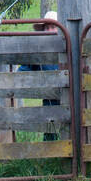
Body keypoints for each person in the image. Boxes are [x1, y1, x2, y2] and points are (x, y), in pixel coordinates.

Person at [19, 10, 61, 141]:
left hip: (70, 98)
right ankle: (51, 158)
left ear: (60, 29)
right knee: (50, 133)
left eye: (53, 27)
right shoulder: (38, 50)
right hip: (50, 101)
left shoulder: (69, 46)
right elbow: (23, 72)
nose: (49, 31)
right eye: (47, 28)